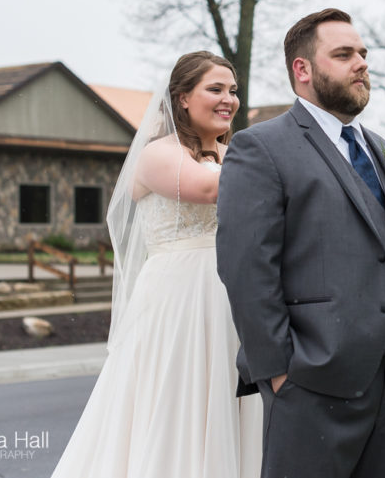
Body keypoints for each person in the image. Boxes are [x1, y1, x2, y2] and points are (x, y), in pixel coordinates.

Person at [216, 9, 385, 478]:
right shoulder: (262, 148)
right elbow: (246, 267)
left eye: (362, 54)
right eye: (343, 55)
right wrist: (279, 372)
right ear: (303, 70)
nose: (360, 63)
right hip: (311, 381)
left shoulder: (382, 149)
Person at [51, 51, 262, 478]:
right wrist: (276, 161)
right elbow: (206, 188)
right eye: (215, 89)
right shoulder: (156, 154)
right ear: (182, 98)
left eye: (233, 91)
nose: (229, 100)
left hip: (235, 296)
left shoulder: (233, 153)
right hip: (179, 299)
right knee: (179, 398)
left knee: (231, 398)